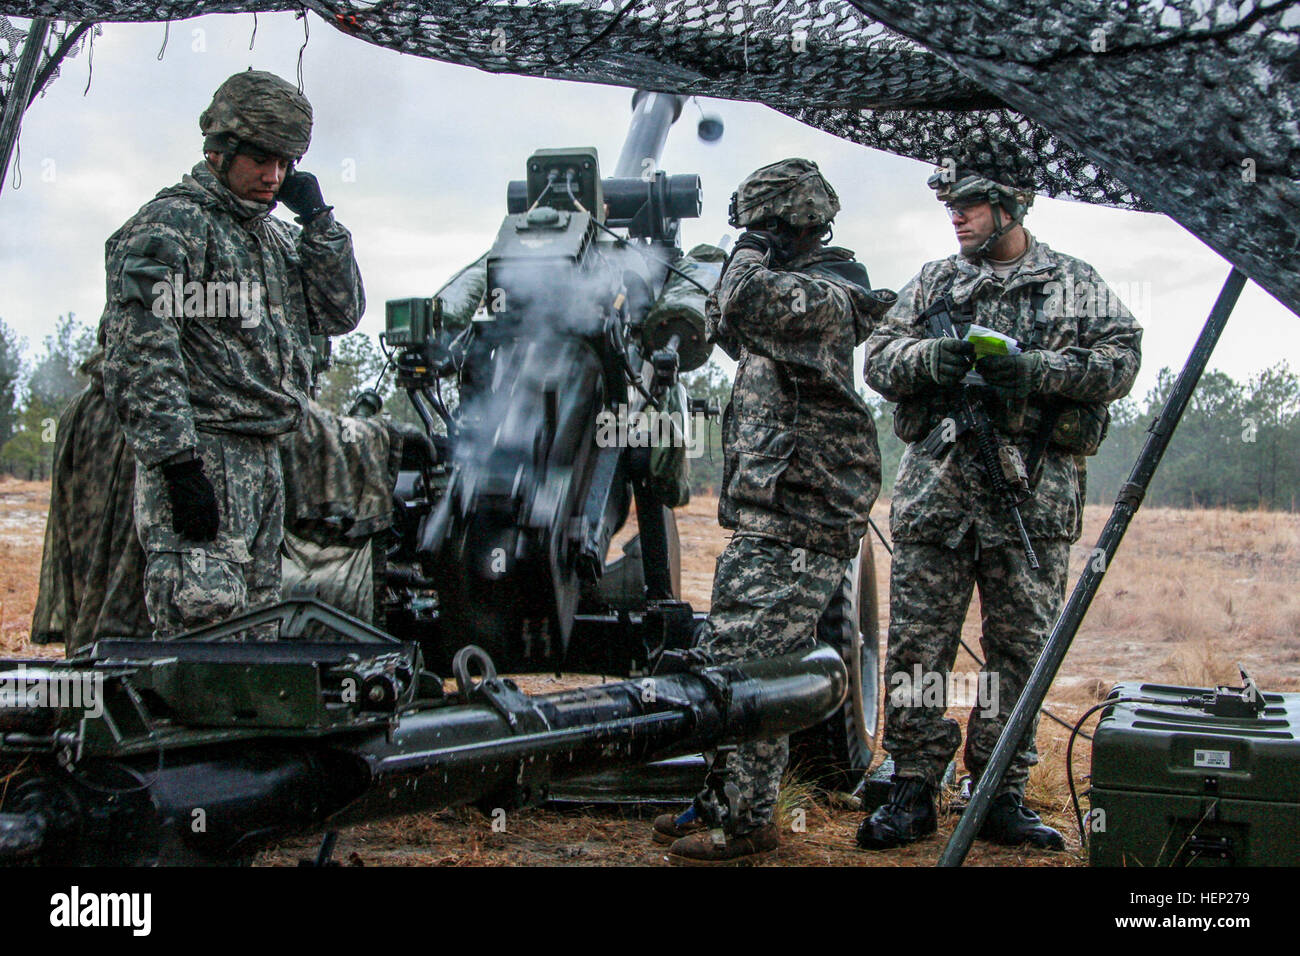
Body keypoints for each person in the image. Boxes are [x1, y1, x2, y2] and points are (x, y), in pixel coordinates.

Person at [857, 160, 1142, 851]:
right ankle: (913, 787)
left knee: (1018, 654)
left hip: (1030, 504)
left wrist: (1035, 371)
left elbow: (1123, 360)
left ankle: (997, 794)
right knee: (919, 653)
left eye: (971, 205)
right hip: (938, 502)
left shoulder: (1073, 283)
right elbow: (878, 358)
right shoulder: (933, 281)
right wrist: (930, 360)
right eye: (951, 206)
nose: (956, 217)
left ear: (1011, 207)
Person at [657, 158, 894, 865]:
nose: (749, 240)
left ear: (787, 224)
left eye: (759, 227)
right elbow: (728, 319)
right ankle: (721, 799)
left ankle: (750, 823)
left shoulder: (830, 292)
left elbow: (750, 298)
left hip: (804, 513)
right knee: (728, 655)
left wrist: (745, 255)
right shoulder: (786, 292)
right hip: (768, 510)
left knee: (756, 668)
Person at [99, 69, 364, 637]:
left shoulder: (270, 238)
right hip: (204, 457)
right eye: (261, 160)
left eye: (285, 164)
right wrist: (177, 464)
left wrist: (319, 221)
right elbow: (139, 353)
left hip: (265, 461)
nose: (274, 177)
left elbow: (341, 312)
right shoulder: (170, 228)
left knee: (256, 641)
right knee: (204, 633)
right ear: (220, 151)